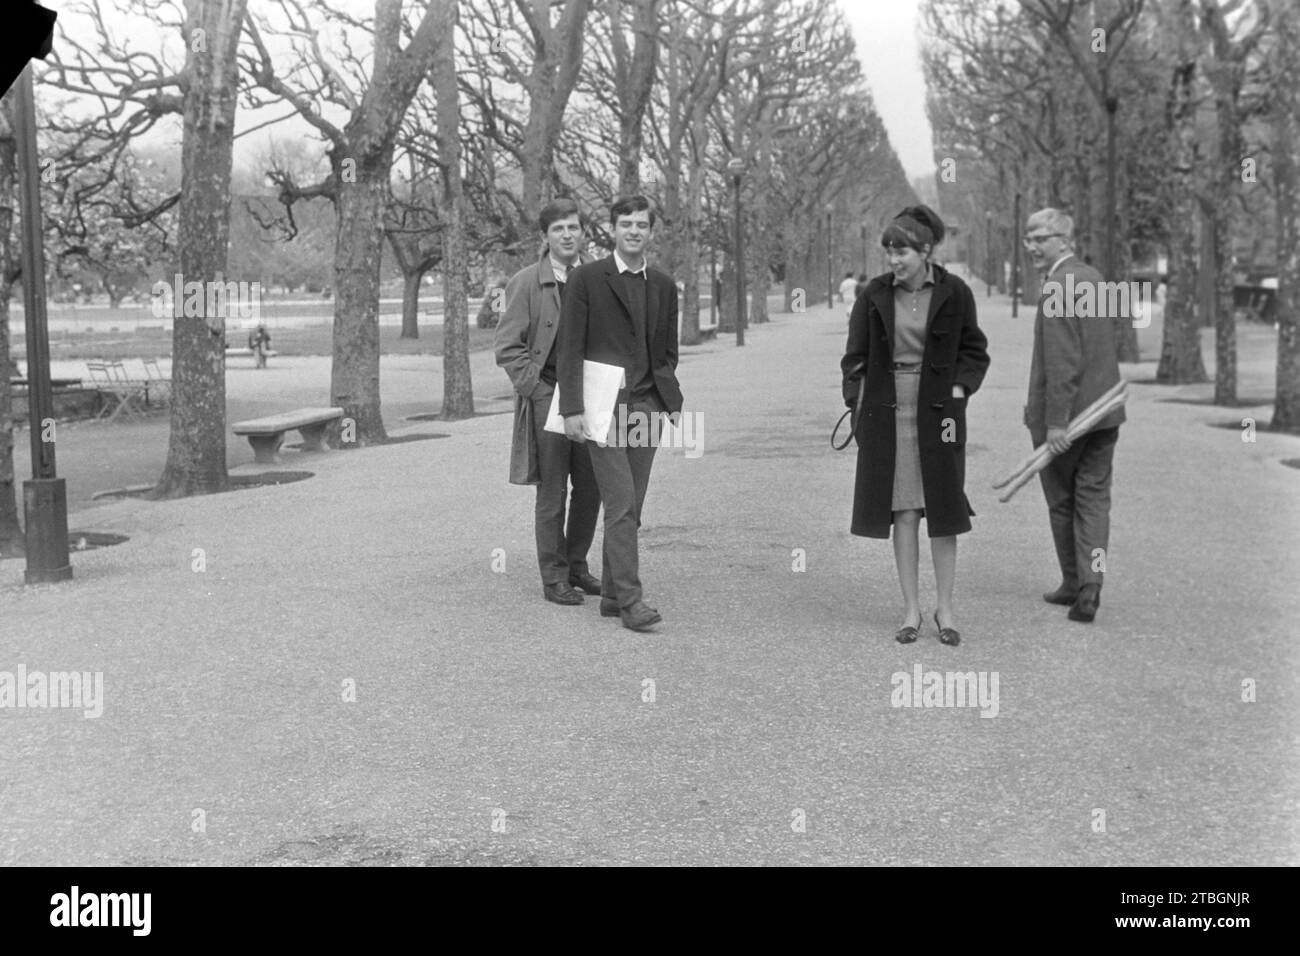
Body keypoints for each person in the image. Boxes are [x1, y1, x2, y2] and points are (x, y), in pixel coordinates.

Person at [841, 205, 989, 646]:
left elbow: (974, 351)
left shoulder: (955, 292)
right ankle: (911, 610)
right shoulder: (873, 295)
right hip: (889, 411)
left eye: (901, 251)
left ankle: (946, 609)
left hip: (940, 411)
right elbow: (855, 359)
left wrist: (960, 390)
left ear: (925, 251)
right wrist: (857, 405)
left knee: (943, 512)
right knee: (903, 511)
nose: (893, 260)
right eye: (888, 252)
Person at [556, 195, 683, 633]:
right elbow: (569, 347)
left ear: (651, 232)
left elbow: (668, 353)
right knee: (622, 503)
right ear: (612, 229)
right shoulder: (587, 279)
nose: (633, 230)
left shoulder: (664, 286)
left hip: (647, 407)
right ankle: (632, 602)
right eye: (625, 223)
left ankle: (611, 594)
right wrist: (572, 409)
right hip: (603, 406)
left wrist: (666, 401)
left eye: (642, 224)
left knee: (633, 507)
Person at [494, 198, 602, 606]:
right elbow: (507, 346)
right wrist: (538, 390)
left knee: (590, 486)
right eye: (558, 229)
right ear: (545, 237)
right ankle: (554, 576)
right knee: (553, 489)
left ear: (583, 231)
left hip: (592, 397)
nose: (568, 235)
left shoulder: (597, 277)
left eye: (573, 227)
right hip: (548, 395)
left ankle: (577, 564)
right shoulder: (525, 282)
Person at [1022, 207, 1125, 623]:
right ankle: (1091, 583)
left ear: (1064, 240)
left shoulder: (1056, 287)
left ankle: (1072, 583)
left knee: (1062, 503)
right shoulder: (1097, 279)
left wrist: (1055, 422)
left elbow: (1063, 360)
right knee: (1096, 503)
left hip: (1066, 421)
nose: (1030, 246)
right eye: (1028, 238)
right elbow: (1103, 343)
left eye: (1039, 238)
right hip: (1105, 413)